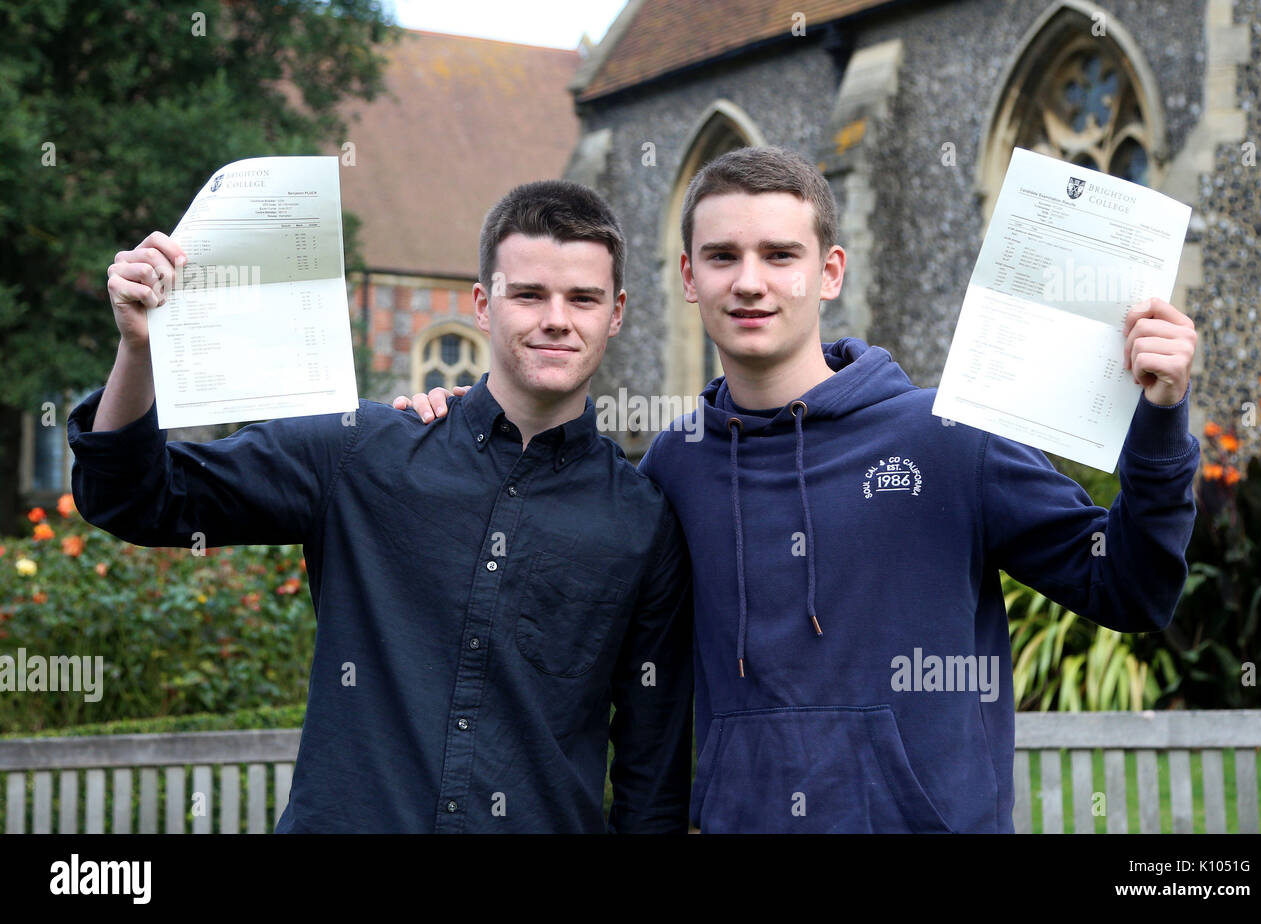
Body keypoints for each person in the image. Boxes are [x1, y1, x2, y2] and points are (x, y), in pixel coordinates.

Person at [399, 147, 1200, 833]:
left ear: (829, 272)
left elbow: (1128, 590)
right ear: (687, 276)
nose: (750, 282)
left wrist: (1161, 420)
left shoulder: (948, 435)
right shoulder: (672, 468)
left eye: (780, 255)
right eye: (722, 257)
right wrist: (456, 426)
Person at [69, 180, 694, 833]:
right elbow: (131, 498)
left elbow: (652, 783)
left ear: (616, 313)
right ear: (483, 304)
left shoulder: (642, 524)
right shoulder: (360, 452)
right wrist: (139, 348)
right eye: (529, 294)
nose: (557, 319)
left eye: (583, 299)